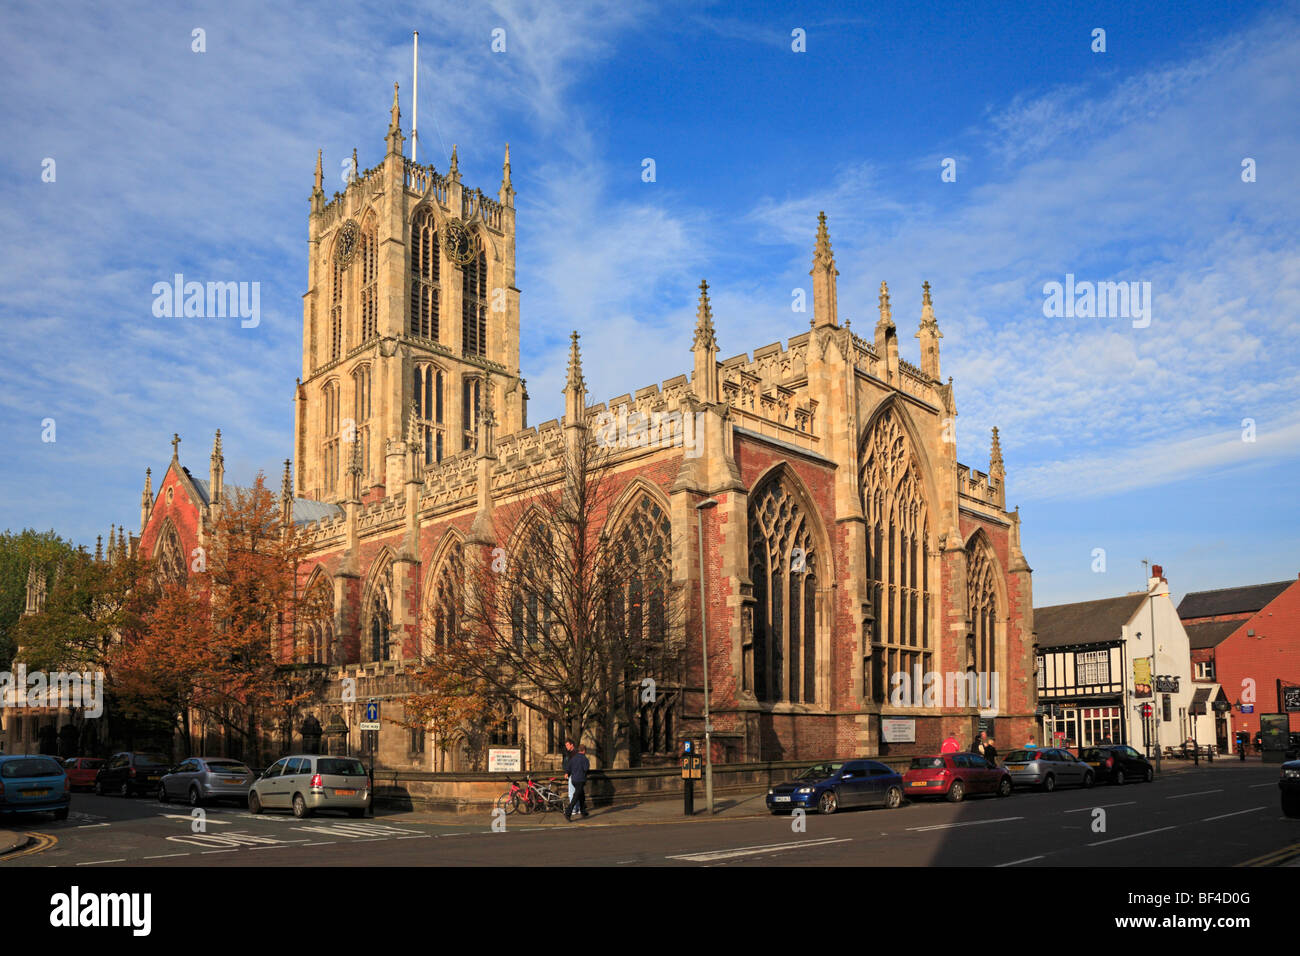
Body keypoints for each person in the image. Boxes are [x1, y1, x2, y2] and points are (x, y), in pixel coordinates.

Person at [566, 745, 590, 821]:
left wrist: (568, 773)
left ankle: (583, 811)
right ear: (584, 751)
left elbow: (568, 767)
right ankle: (568, 812)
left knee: (582, 795)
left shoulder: (573, 758)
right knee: (576, 796)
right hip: (580, 779)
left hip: (574, 780)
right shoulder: (584, 759)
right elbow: (586, 769)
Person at [562, 739, 575, 810]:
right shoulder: (569, 753)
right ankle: (576, 808)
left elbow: (571, 765)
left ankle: (573, 808)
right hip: (573, 775)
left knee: (572, 793)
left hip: (573, 775)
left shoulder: (573, 754)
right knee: (575, 793)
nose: (566, 747)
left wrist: (567, 772)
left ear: (571, 745)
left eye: (567, 745)